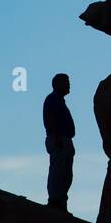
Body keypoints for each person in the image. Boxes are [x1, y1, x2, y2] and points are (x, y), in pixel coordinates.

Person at [43, 73, 76, 213]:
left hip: (63, 139)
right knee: (58, 170)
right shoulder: (53, 99)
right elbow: (51, 120)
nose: (69, 84)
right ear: (56, 84)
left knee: (66, 173)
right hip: (59, 139)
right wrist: (56, 137)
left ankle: (61, 201)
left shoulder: (58, 100)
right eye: (65, 82)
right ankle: (55, 200)